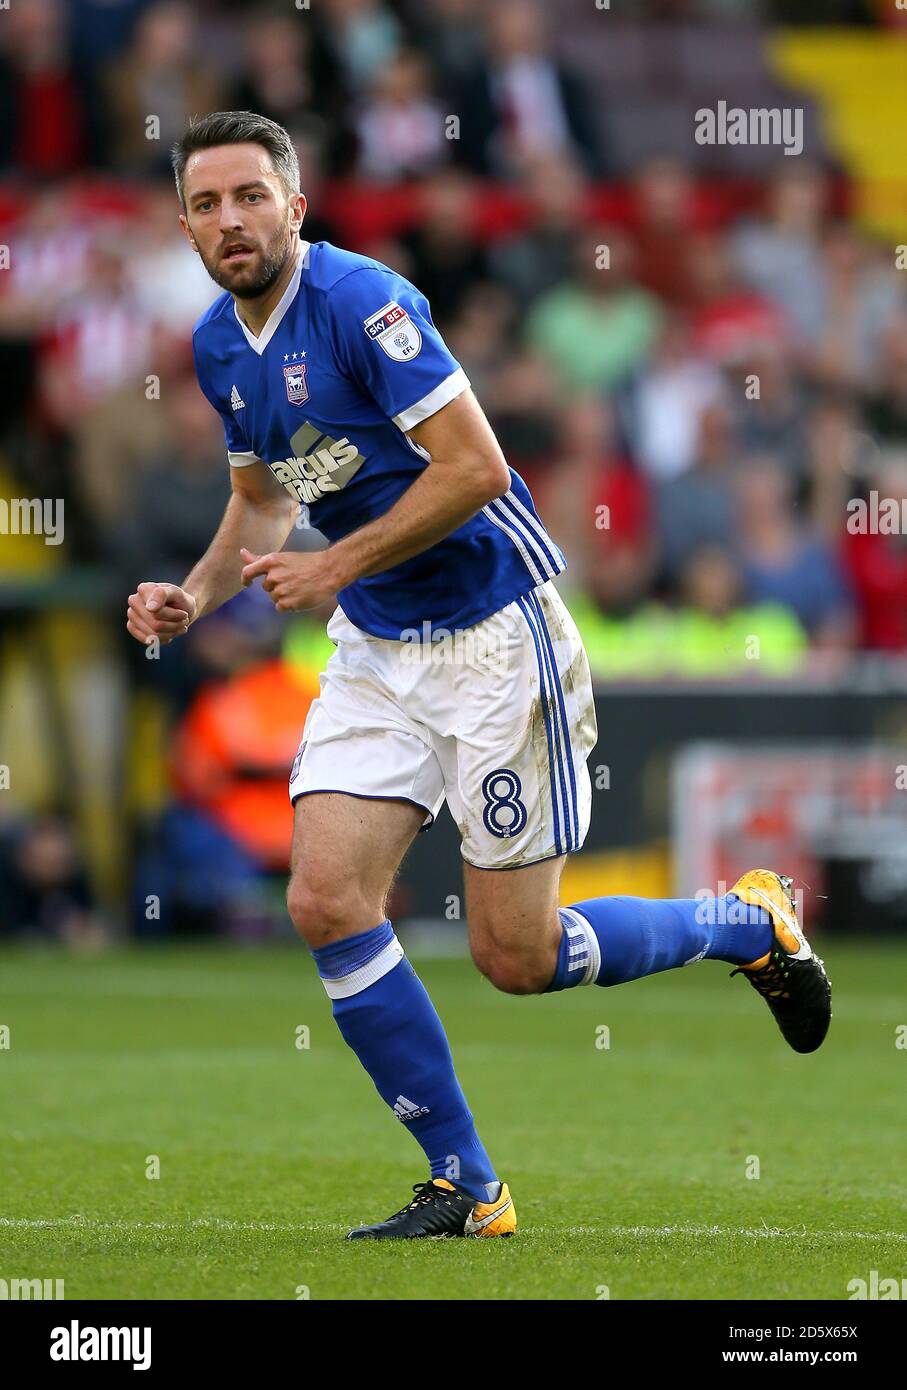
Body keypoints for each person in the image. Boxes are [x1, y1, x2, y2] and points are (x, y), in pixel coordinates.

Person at [126, 112, 832, 1241]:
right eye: (207, 205)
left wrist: (339, 561)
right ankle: (469, 1183)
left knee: (519, 956)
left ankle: (742, 925)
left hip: (495, 635)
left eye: (250, 196)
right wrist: (195, 594)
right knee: (323, 898)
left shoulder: (363, 303)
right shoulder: (219, 343)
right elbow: (262, 497)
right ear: (185, 226)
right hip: (377, 650)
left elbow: (478, 466)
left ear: (296, 206)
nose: (230, 221)